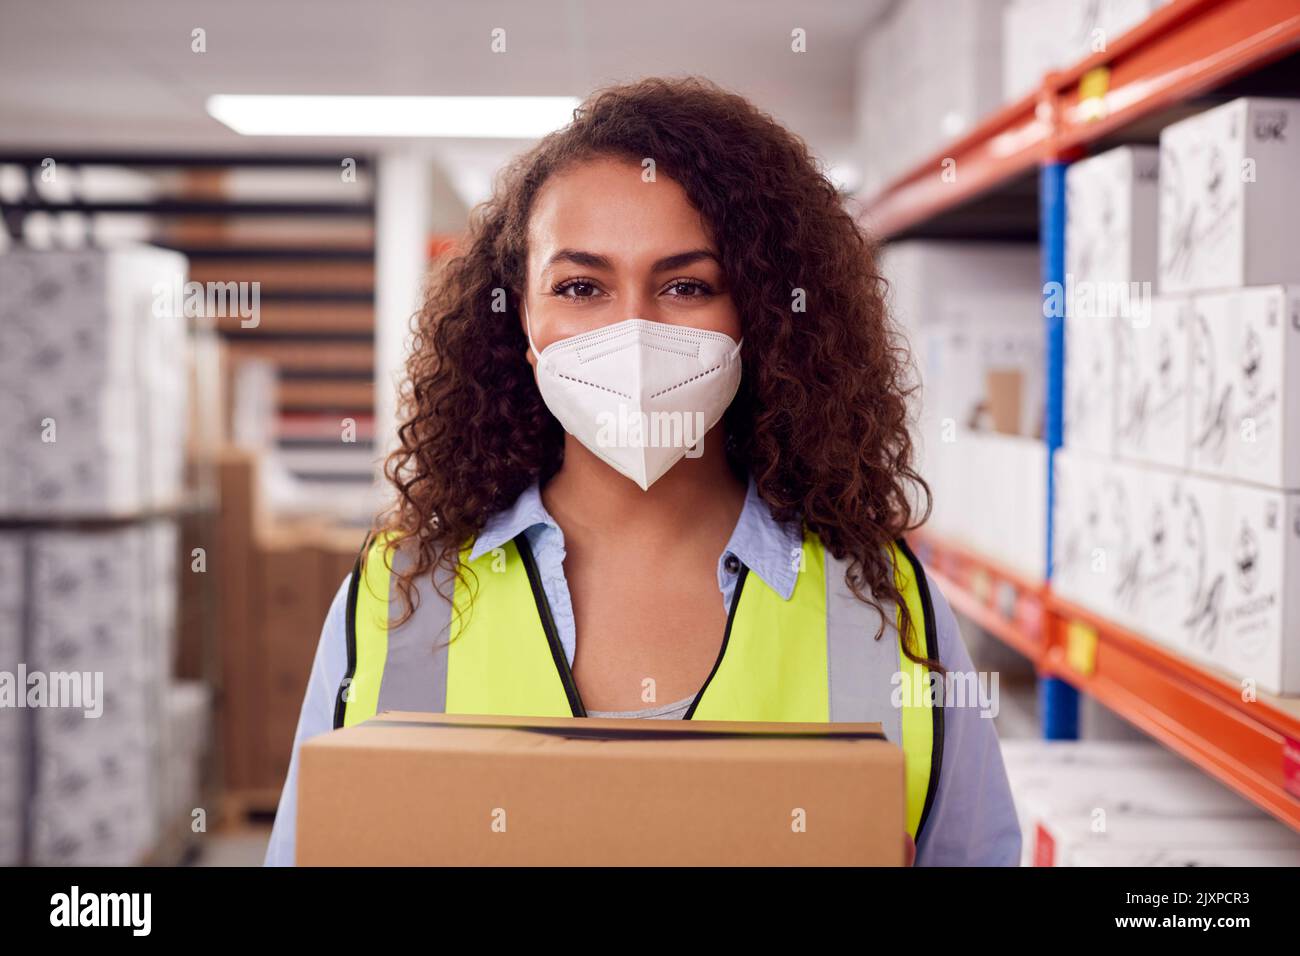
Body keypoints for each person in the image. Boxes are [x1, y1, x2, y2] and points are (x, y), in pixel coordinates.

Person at [265, 76, 1021, 866]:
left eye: (687, 285)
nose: (632, 331)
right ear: (523, 321)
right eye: (581, 287)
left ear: (756, 317)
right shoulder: (395, 596)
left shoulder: (888, 603)